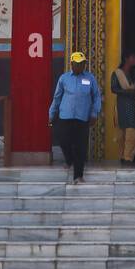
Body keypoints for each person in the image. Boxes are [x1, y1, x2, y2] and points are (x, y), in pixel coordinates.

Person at [48, 50, 102, 183]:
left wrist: (94, 113)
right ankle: (69, 159)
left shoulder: (90, 78)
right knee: (63, 140)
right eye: (76, 64)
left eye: (82, 64)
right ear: (71, 64)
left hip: (82, 117)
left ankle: (78, 175)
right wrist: (51, 113)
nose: (79, 66)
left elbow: (96, 97)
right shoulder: (64, 78)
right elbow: (57, 97)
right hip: (65, 116)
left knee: (80, 146)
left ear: (84, 64)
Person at [111, 50, 135, 164]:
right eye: (132, 57)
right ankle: (122, 156)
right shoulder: (117, 73)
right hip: (122, 104)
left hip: (133, 105)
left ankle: (128, 157)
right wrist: (128, 92)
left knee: (133, 129)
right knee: (121, 132)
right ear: (126, 59)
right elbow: (113, 88)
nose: (134, 60)